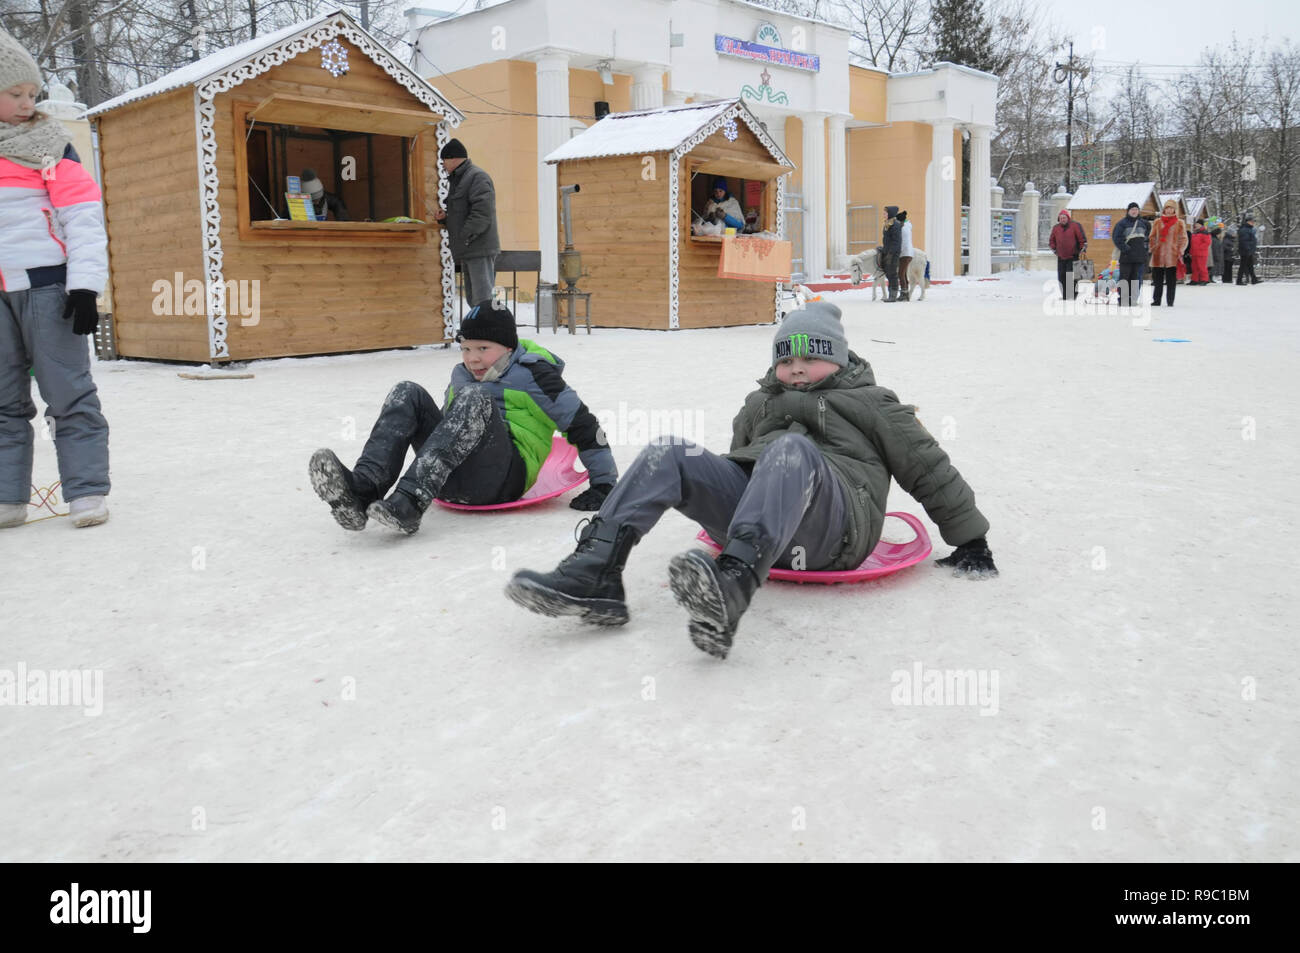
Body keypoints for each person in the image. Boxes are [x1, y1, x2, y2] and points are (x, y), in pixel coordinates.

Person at [504, 301, 996, 659]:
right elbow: (739, 460)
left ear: (841, 359)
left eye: (812, 357)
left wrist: (971, 539)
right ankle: (597, 570)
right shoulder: (760, 403)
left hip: (835, 526)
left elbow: (926, 466)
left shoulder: (872, 403)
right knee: (669, 450)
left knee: (791, 449)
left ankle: (732, 585)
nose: (797, 369)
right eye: (786, 360)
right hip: (764, 523)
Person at [308, 304, 617, 536]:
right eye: (466, 348)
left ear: (509, 346)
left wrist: (604, 484)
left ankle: (410, 502)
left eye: (484, 348)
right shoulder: (461, 374)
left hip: (505, 479)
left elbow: (584, 425)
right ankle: (364, 488)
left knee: (475, 397)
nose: (473, 358)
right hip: (450, 480)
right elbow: (449, 432)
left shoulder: (536, 374)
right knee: (407, 392)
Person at [0, 28, 111, 530]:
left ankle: (86, 492)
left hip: (48, 289)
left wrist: (84, 286)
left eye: (32, 93)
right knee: (3, 401)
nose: (28, 103)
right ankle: (8, 498)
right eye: (15, 94)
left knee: (68, 393)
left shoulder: (51, 147)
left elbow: (83, 218)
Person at [434, 138, 500, 307]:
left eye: (444, 161)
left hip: (478, 248)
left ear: (454, 158)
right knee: (473, 299)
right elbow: (463, 213)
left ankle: (487, 332)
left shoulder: (477, 177)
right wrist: (446, 219)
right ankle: (479, 331)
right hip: (469, 248)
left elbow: (482, 214)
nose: (443, 166)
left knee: (483, 298)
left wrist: (464, 237)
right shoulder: (460, 179)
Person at [1148, 200, 1188, 307]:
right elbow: (1152, 236)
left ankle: (1170, 301)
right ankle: (1156, 300)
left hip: (1172, 255)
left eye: (1171, 208)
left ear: (1175, 210)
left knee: (1171, 281)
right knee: (1157, 281)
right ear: (1164, 209)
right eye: (1167, 208)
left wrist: (1180, 250)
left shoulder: (1179, 222)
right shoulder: (1157, 221)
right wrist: (1153, 247)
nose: (1169, 210)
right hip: (1158, 255)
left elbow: (1183, 238)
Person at [1111, 201, 1150, 308]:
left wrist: (1144, 251)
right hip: (1126, 257)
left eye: (1136, 210)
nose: (1134, 211)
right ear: (1128, 211)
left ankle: (1133, 300)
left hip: (1139, 257)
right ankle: (1123, 299)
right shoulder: (1121, 223)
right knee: (1124, 278)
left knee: (1136, 279)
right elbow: (1116, 238)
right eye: (1132, 210)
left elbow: (1146, 239)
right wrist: (1126, 249)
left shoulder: (1143, 224)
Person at [1048, 208, 1087, 300]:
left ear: (1068, 218)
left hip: (1073, 256)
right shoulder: (1056, 228)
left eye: (1064, 217)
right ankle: (1065, 295)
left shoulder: (1075, 226)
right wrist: (1054, 249)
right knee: (1061, 277)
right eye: (1061, 218)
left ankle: (1072, 295)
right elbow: (1052, 240)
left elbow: (1082, 238)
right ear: (1059, 219)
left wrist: (1083, 248)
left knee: (1071, 277)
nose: (1063, 219)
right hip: (1061, 256)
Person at [880, 206, 903, 302]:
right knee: (889, 274)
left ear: (890, 214)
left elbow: (896, 241)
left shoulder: (895, 225)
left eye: (885, 213)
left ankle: (893, 296)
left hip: (893, 253)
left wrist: (891, 253)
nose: (883, 215)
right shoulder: (888, 224)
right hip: (887, 252)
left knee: (892, 274)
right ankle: (891, 294)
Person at [1236, 214, 1260, 284]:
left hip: (1248, 250)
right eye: (1251, 221)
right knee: (1243, 266)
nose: (1253, 223)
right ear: (1247, 222)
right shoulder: (1245, 229)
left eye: (1253, 221)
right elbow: (1244, 241)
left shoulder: (1249, 229)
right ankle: (1239, 280)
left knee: (1250, 266)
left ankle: (1254, 279)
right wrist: (1248, 249)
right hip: (1246, 250)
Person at [897, 210, 914, 301]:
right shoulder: (907, 226)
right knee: (903, 274)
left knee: (900, 274)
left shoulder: (903, 229)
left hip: (905, 253)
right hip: (909, 253)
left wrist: (898, 252)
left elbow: (903, 243)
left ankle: (904, 294)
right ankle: (906, 294)